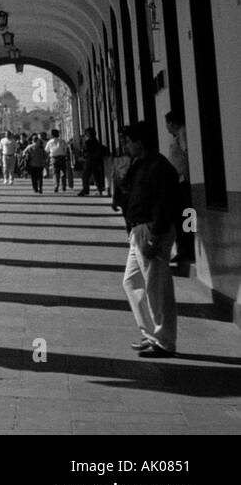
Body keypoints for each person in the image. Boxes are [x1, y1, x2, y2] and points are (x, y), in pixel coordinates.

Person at [119, 120, 179, 358]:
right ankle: (152, 333)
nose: (125, 145)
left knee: (157, 287)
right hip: (138, 230)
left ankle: (165, 341)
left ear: (139, 142)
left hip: (152, 230)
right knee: (131, 282)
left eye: (128, 141)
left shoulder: (158, 166)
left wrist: (155, 231)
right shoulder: (141, 164)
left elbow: (165, 202)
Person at [164, 111, 194, 268]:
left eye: (167, 124)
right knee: (182, 217)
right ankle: (185, 248)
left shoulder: (182, 133)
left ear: (172, 123)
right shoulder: (177, 136)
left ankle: (188, 249)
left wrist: (188, 179)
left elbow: (188, 155)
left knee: (186, 216)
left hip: (183, 182)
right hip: (179, 182)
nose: (166, 128)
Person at [78, 127, 107, 197]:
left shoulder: (88, 142)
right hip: (96, 161)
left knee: (85, 176)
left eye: (86, 134)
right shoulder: (97, 142)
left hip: (89, 161)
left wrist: (83, 157)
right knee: (96, 175)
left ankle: (85, 190)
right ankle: (100, 190)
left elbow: (85, 152)